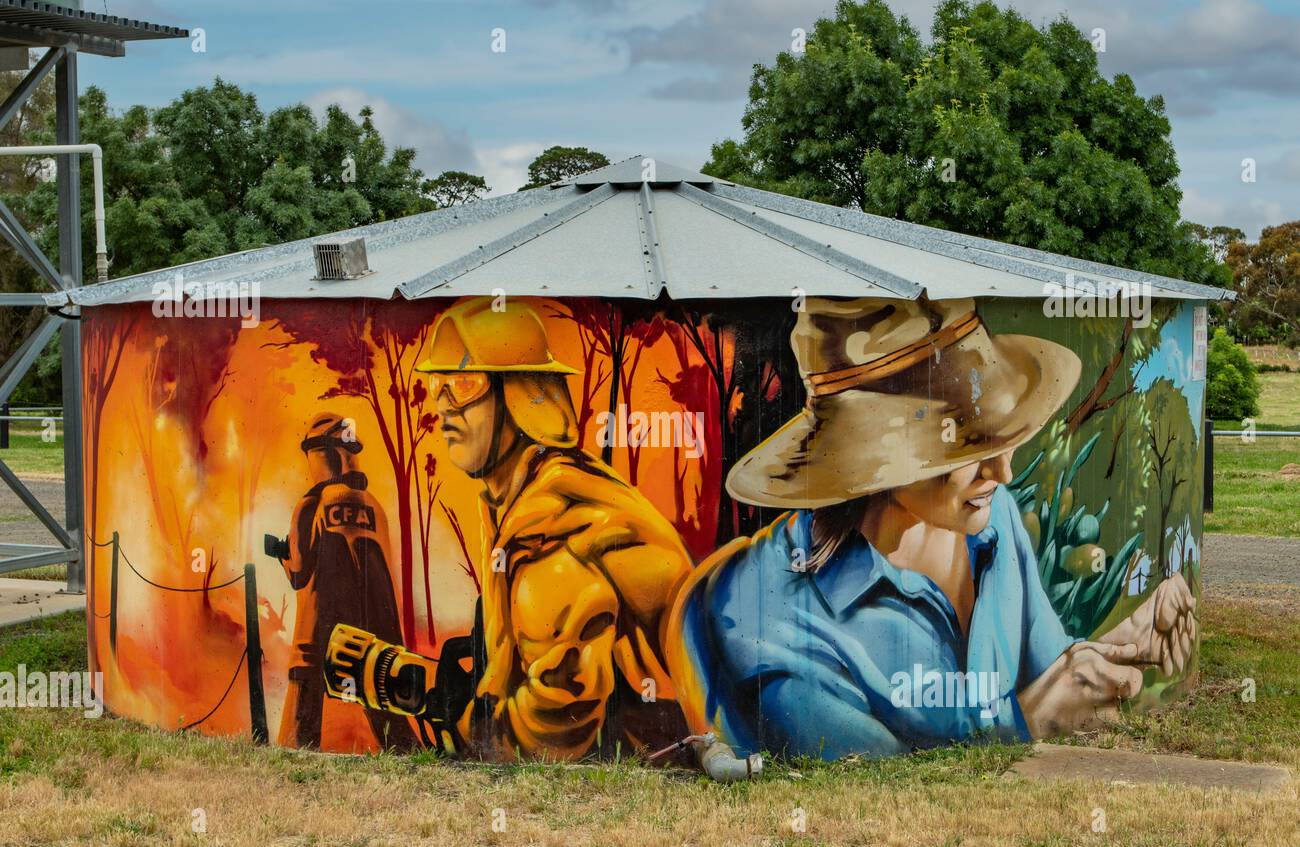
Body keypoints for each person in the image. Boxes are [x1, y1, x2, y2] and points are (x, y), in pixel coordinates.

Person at [666, 296, 1196, 760]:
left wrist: (1121, 648)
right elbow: (869, 777)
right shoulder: (773, 624)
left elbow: (1044, 677)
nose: (1002, 473)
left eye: (999, 437)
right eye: (965, 448)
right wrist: (1030, 724)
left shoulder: (993, 519)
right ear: (879, 455)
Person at [415, 296, 691, 760]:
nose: (442, 406)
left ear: (519, 397)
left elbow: (557, 726)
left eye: (463, 383)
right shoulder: (524, 499)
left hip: (657, 750)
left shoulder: (554, 542)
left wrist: (466, 730)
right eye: (437, 384)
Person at [271, 412, 419, 752]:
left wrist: (281, 554)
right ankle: (408, 754)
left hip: (318, 632)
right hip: (374, 634)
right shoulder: (374, 506)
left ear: (320, 454)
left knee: (302, 710)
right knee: (383, 699)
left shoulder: (312, 503)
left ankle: (295, 757)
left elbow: (298, 572)